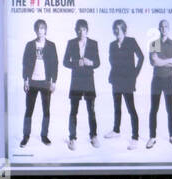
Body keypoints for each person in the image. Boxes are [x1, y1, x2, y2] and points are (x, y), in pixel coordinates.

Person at [105, 19, 144, 149]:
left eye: (118, 29)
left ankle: (135, 137)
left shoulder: (131, 41)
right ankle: (116, 130)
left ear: (124, 29)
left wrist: (135, 73)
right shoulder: (112, 44)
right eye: (115, 29)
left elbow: (141, 57)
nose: (116, 31)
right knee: (117, 107)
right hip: (116, 80)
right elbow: (111, 60)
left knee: (131, 108)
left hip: (127, 80)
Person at [63, 19, 100, 150]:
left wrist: (90, 62)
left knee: (91, 110)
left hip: (89, 81)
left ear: (87, 30)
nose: (81, 32)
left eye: (83, 29)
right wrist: (76, 63)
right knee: (73, 111)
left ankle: (93, 136)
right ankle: (72, 138)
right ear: (76, 30)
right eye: (79, 29)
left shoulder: (94, 43)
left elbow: (98, 62)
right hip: (76, 81)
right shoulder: (71, 43)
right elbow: (65, 62)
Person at [20, 20, 57, 147]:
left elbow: (55, 64)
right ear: (35, 30)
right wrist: (25, 80)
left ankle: (44, 136)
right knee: (29, 110)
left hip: (46, 82)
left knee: (46, 110)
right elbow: (25, 63)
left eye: (42, 28)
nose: (40, 31)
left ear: (45, 30)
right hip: (33, 82)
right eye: (38, 28)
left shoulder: (51, 45)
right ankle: (25, 136)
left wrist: (54, 81)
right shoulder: (30, 45)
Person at [147, 19, 172, 148]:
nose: (164, 29)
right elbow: (155, 62)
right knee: (153, 109)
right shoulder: (154, 43)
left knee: (170, 109)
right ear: (159, 29)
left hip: (169, 80)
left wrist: (162, 61)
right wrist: (169, 60)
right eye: (162, 27)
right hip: (157, 80)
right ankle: (152, 137)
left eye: (166, 26)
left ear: (169, 28)